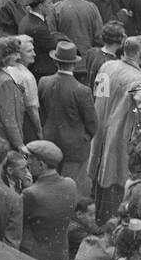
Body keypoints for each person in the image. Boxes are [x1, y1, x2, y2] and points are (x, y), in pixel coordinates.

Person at [88, 36, 141, 223]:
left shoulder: (108, 66)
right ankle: (107, 224)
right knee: (115, 181)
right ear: (140, 54)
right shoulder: (138, 79)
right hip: (120, 134)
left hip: (99, 130)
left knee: (98, 177)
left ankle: (97, 220)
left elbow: (98, 95)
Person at [37, 41, 98, 195]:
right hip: (75, 145)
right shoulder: (82, 90)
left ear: (55, 61)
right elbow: (92, 123)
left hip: (50, 140)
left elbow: (41, 113)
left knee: (49, 184)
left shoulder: (44, 82)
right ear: (74, 64)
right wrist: (85, 136)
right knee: (70, 187)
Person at [20, 140, 77, 260]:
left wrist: (28, 189)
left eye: (30, 159)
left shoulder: (30, 194)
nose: (27, 163)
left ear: (41, 165)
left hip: (34, 258)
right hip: (60, 254)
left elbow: (17, 221)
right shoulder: (70, 184)